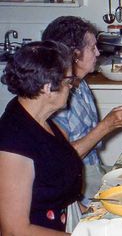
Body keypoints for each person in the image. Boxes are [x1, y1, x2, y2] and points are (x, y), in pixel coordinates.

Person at [42, 16, 122, 207]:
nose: (98, 53)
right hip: (79, 184)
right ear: (74, 55)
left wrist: (118, 121)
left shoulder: (80, 85)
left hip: (94, 169)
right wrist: (106, 125)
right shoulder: (52, 98)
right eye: (92, 48)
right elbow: (63, 160)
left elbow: (89, 135)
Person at [0, 41, 83, 234]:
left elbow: (57, 190)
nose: (71, 87)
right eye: (69, 81)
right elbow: (14, 231)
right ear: (47, 87)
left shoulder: (41, 121)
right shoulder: (13, 142)